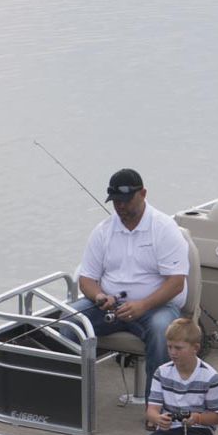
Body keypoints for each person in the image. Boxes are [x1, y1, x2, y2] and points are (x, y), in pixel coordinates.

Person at [73, 168, 189, 404]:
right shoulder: (103, 231)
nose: (121, 207)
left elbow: (176, 283)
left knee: (161, 331)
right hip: (110, 306)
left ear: (143, 194)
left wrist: (143, 306)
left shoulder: (164, 228)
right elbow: (86, 278)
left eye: (125, 200)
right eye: (116, 202)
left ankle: (156, 406)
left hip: (157, 306)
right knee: (71, 323)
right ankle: (74, 400)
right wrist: (99, 297)